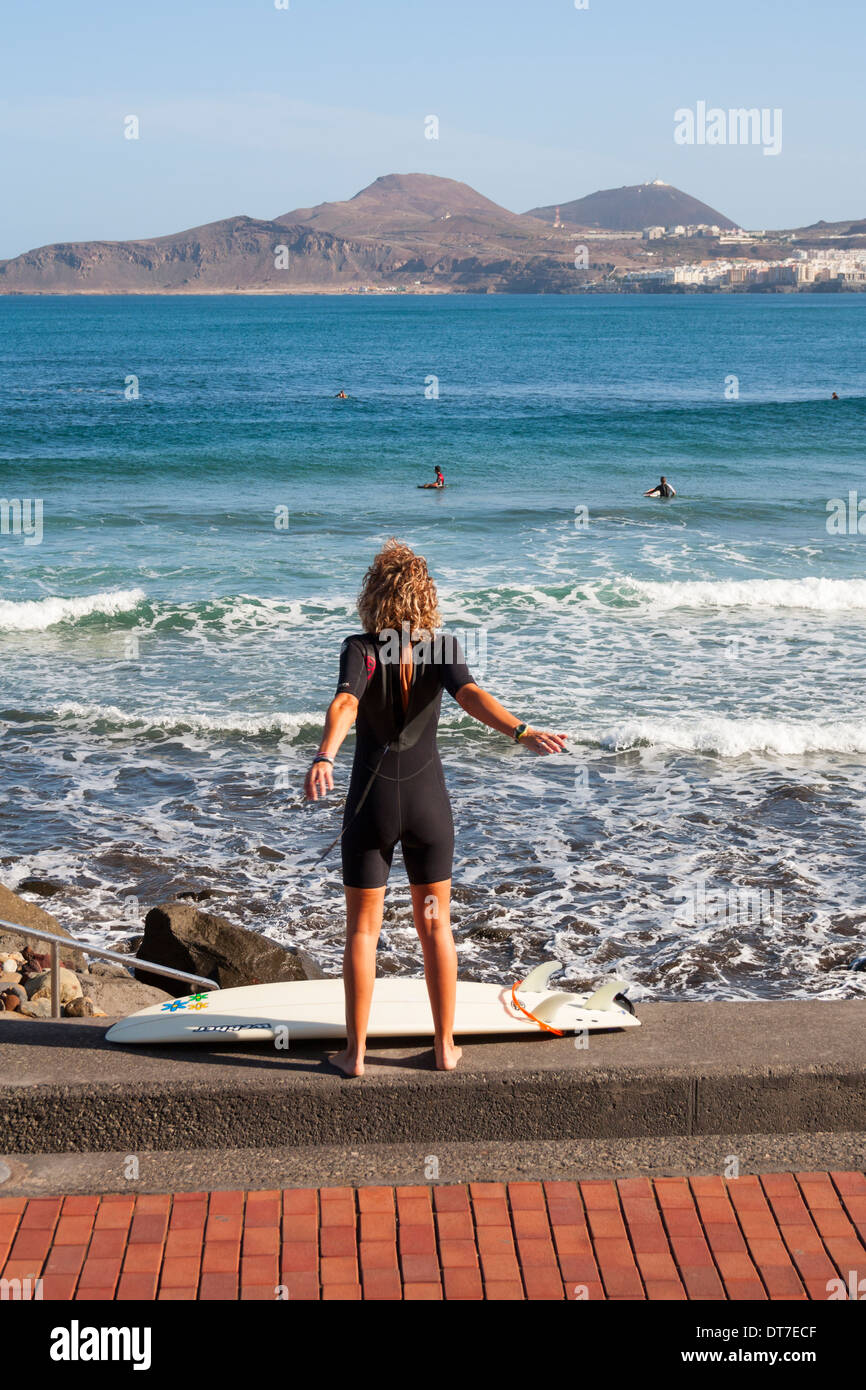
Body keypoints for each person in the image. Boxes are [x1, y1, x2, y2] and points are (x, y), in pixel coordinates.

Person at [304, 539, 567, 1076]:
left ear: (373, 594)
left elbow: (347, 703)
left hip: (372, 808)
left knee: (362, 931)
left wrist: (324, 755)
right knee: (435, 927)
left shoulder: (361, 648)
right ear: (426, 596)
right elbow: (470, 695)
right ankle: (445, 1048)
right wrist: (520, 730)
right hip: (427, 808)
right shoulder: (439, 648)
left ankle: (355, 1055)